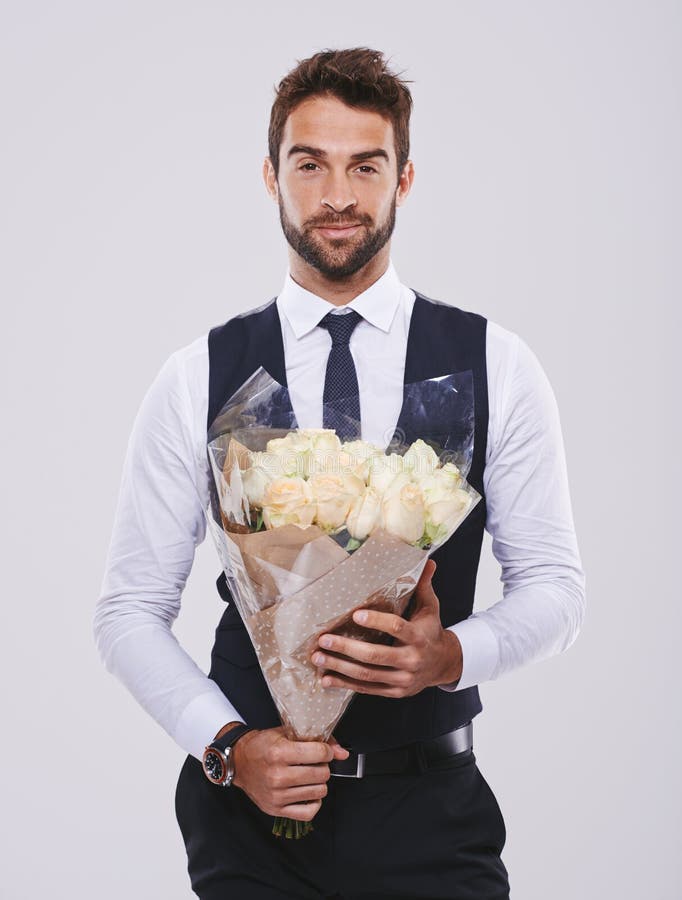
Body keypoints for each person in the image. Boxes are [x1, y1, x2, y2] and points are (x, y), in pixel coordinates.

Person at [94, 47, 585, 900]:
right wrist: (225, 745)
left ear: (404, 179)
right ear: (270, 175)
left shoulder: (496, 364)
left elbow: (557, 590)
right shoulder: (196, 375)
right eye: (309, 163)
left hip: (431, 810)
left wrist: (451, 657)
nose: (337, 196)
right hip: (249, 824)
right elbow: (129, 611)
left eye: (366, 165)